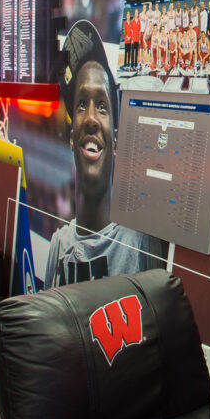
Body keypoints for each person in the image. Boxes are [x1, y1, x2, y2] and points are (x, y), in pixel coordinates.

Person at [44, 19, 166, 286]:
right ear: (71, 136)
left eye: (102, 106)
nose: (90, 118)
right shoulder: (58, 247)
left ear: (117, 139)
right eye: (80, 105)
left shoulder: (142, 242)